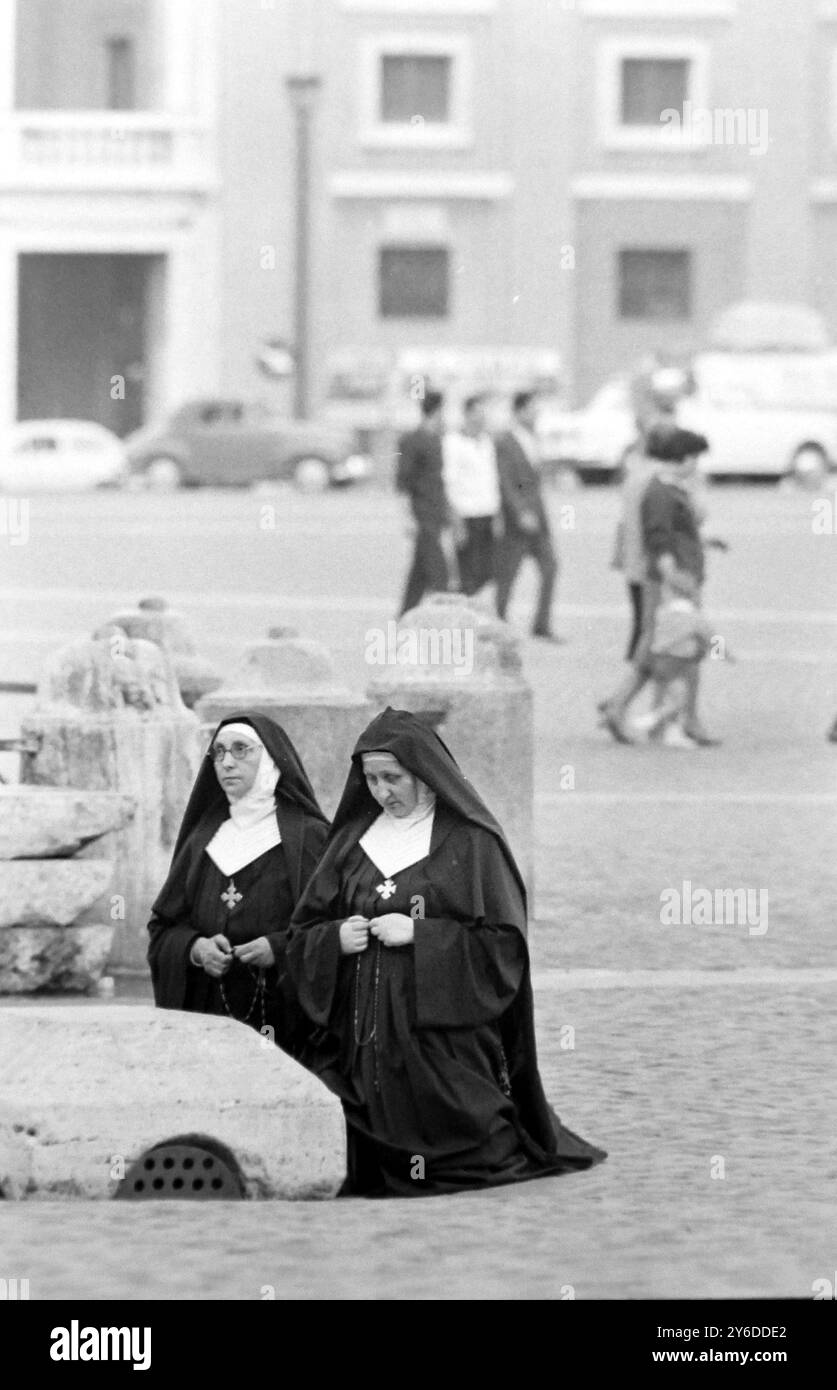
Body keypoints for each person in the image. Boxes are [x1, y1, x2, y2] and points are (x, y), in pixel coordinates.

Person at [285, 706, 607, 1197]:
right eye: (371, 779)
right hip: (356, 1040)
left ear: (426, 776)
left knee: (473, 1148)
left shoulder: (471, 842)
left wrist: (420, 936)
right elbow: (304, 929)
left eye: (393, 778)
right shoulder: (352, 841)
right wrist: (333, 939)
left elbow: (503, 948)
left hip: (438, 1042)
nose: (382, 792)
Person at [147, 712, 330, 1055]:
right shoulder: (203, 837)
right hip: (208, 1007)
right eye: (218, 752)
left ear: (271, 760)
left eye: (241, 750)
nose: (226, 762)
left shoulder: (309, 836)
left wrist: (279, 948)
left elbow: (334, 927)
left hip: (283, 1014)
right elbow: (163, 928)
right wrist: (195, 949)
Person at [494, 391, 562, 641]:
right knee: (509, 573)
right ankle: (498, 622)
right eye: (533, 409)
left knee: (551, 567)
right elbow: (505, 482)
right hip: (518, 520)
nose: (537, 414)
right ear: (520, 411)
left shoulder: (533, 439)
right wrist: (520, 512)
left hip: (539, 517)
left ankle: (541, 624)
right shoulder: (505, 442)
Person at [631, 575, 715, 742]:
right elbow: (710, 636)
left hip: (659, 663)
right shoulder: (694, 616)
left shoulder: (662, 613)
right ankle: (655, 720)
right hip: (678, 665)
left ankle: (661, 730)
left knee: (668, 694)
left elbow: (652, 635)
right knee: (680, 700)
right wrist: (723, 655)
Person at [395, 389, 451, 616]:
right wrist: (407, 517)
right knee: (440, 574)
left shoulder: (437, 440)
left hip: (435, 513)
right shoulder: (411, 441)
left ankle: (404, 617)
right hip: (421, 514)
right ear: (437, 411)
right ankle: (446, 624)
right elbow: (403, 483)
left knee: (418, 574)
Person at [442, 394, 501, 597]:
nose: (482, 417)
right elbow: (449, 482)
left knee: (489, 571)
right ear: (467, 414)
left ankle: (466, 607)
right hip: (466, 514)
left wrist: (498, 513)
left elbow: (492, 479)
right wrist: (455, 519)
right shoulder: (453, 442)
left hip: (487, 512)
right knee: (467, 572)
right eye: (477, 413)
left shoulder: (486, 441)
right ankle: (461, 617)